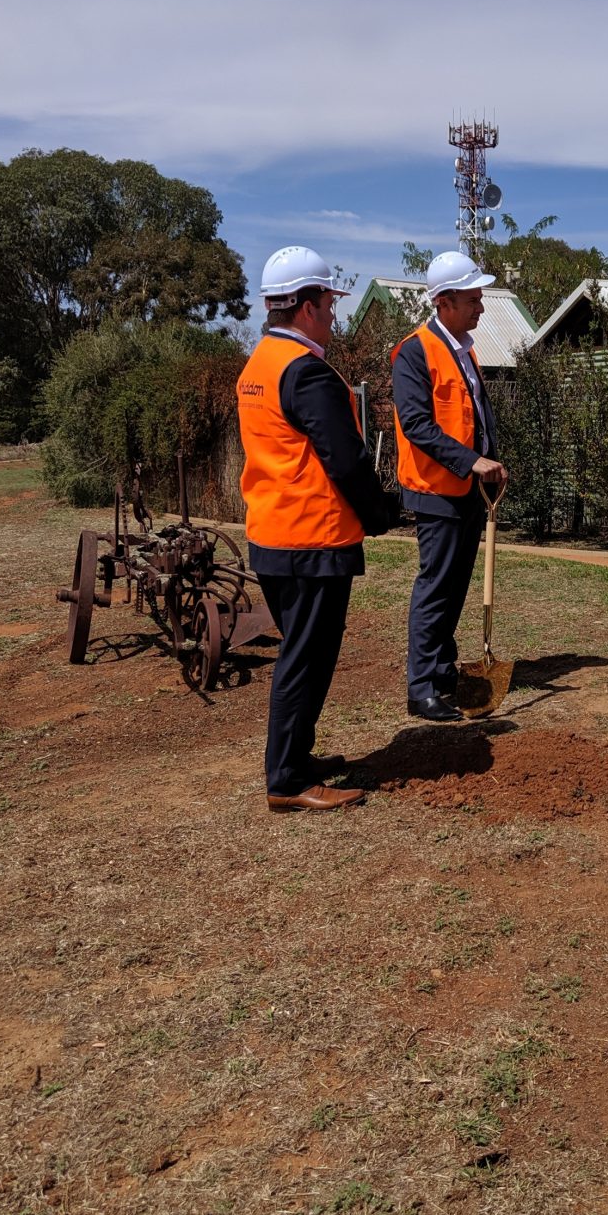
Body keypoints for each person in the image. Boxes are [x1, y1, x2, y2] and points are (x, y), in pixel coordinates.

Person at [237, 245, 394, 812]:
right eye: (329, 303)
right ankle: (287, 780)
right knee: (305, 660)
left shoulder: (259, 365)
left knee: (302, 653)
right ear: (306, 306)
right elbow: (346, 460)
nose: (333, 314)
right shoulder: (307, 373)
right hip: (312, 539)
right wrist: (381, 515)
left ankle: (297, 760)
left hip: (273, 534)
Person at [392, 250, 508, 723]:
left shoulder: (465, 350)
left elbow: (475, 415)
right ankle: (421, 688)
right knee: (437, 587)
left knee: (455, 586)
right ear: (444, 302)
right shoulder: (414, 352)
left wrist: (491, 461)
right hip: (435, 489)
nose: (481, 307)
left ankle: (442, 671)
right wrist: (472, 461)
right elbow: (417, 425)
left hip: (468, 490)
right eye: (472, 299)